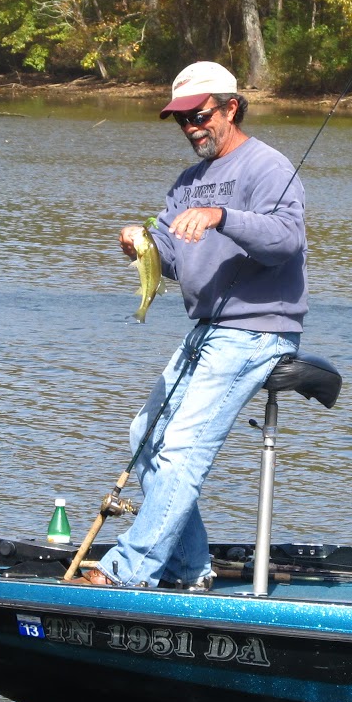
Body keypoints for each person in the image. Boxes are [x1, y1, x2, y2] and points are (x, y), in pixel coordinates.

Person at [81, 60, 308, 589]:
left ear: (231, 107)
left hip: (257, 330)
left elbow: (286, 240)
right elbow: (176, 258)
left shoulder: (267, 167)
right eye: (181, 120)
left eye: (199, 116)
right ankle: (188, 568)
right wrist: (142, 243)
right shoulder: (187, 183)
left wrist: (222, 216)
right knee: (146, 435)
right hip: (206, 329)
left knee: (182, 448)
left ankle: (131, 570)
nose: (191, 128)